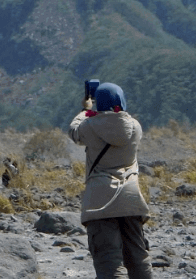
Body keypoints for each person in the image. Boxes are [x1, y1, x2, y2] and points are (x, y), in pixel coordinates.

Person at [68, 82, 152, 279]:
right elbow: (117, 120)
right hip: (131, 199)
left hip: (100, 199)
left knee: (109, 261)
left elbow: (74, 131)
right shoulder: (135, 126)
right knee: (138, 256)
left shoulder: (88, 126)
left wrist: (86, 110)